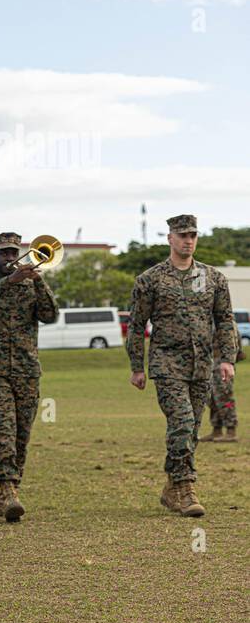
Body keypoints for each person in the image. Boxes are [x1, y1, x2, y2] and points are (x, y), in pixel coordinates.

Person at [127, 214, 237, 517]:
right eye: (182, 235)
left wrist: (227, 357)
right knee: (182, 423)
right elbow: (137, 325)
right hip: (167, 364)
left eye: (192, 235)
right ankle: (185, 488)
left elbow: (225, 319)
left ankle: (171, 487)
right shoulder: (150, 279)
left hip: (202, 365)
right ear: (170, 239)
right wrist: (138, 366)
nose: (188, 240)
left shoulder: (213, 277)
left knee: (191, 430)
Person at [0, 232, 60, 522]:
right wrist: (11, 280)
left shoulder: (32, 285)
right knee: (3, 431)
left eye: (13, 252)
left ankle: (11, 489)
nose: (10, 258)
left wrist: (38, 280)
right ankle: (6, 490)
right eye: (4, 253)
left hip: (26, 371)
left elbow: (51, 315)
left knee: (22, 435)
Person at [206, 346, 242, 442]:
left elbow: (233, 338)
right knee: (212, 398)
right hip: (209, 361)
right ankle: (217, 430)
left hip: (222, 362)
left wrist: (232, 357)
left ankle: (231, 430)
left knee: (224, 397)